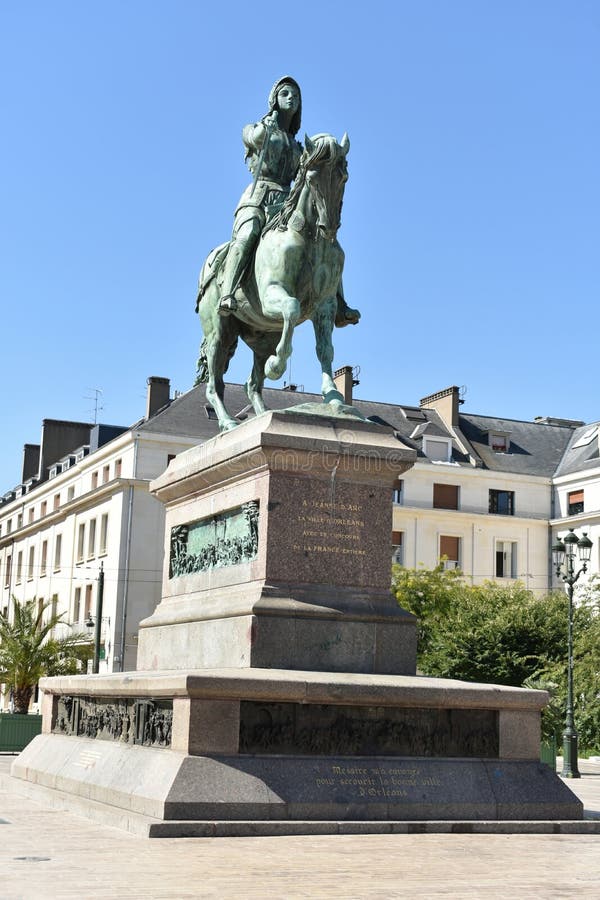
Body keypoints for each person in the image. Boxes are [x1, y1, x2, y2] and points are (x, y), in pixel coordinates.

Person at [218, 76, 303, 314]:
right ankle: (228, 292)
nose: (291, 98)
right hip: (259, 196)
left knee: (319, 235)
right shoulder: (257, 128)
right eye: (285, 94)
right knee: (248, 235)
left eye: (295, 96)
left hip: (287, 202)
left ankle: (335, 301)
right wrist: (267, 126)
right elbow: (252, 138)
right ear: (274, 99)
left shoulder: (298, 147)